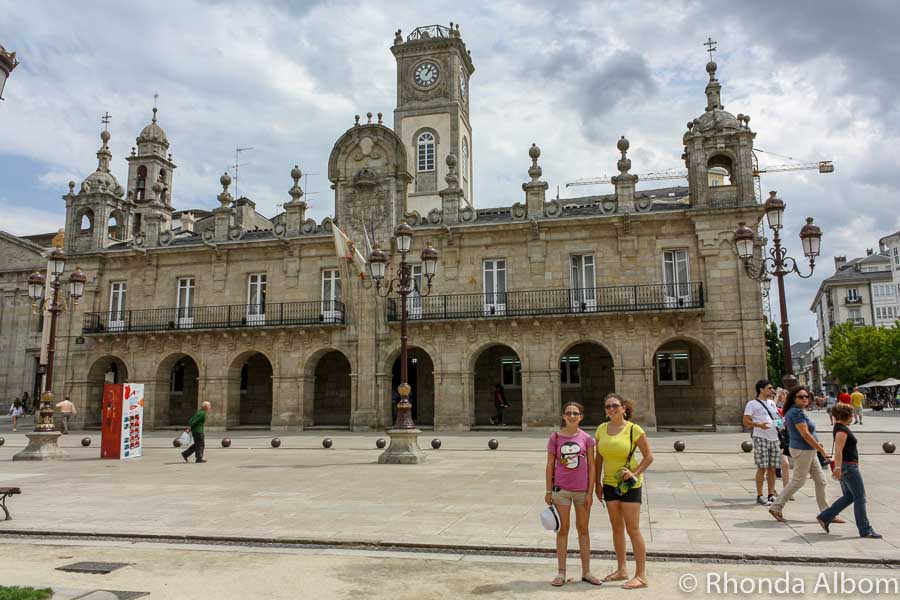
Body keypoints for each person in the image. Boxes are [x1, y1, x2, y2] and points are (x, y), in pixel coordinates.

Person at [595, 393, 653, 590]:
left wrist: (634, 473)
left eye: (615, 406)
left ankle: (641, 575)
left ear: (624, 408)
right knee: (616, 528)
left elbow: (648, 457)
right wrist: (597, 483)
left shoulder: (633, 429)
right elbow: (599, 458)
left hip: (630, 485)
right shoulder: (601, 429)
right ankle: (621, 569)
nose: (611, 409)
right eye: (608, 407)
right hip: (610, 484)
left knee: (633, 529)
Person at [544, 401, 599, 587]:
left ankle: (587, 571)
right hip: (562, 491)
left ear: (581, 417)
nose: (572, 416)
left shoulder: (587, 439)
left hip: (582, 491)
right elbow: (550, 464)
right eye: (568, 413)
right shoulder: (555, 438)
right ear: (563, 416)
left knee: (583, 530)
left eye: (575, 413)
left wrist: (590, 492)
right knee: (563, 530)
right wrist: (547, 489)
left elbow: (592, 466)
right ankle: (561, 572)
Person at [768, 386, 837, 523]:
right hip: (803, 450)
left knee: (821, 481)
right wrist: (821, 450)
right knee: (798, 481)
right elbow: (805, 434)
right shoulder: (796, 413)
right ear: (794, 398)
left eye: (806, 396)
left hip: (808, 449)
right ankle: (776, 507)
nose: (805, 399)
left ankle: (826, 513)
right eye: (801, 396)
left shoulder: (797, 411)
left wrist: (817, 445)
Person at [816, 403, 882, 538]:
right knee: (860, 498)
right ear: (845, 415)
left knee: (849, 496)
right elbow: (839, 451)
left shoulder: (841, 428)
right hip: (848, 467)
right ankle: (865, 529)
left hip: (846, 466)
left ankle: (825, 516)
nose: (852, 417)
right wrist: (838, 468)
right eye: (851, 415)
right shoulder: (841, 430)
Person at [742, 380, 780, 505]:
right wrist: (758, 424)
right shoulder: (752, 404)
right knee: (762, 467)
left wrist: (781, 424)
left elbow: (775, 419)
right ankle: (759, 495)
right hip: (761, 436)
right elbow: (746, 421)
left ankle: (771, 494)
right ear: (761, 389)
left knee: (772, 467)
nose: (772, 390)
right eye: (769, 388)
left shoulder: (772, 404)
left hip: (774, 437)